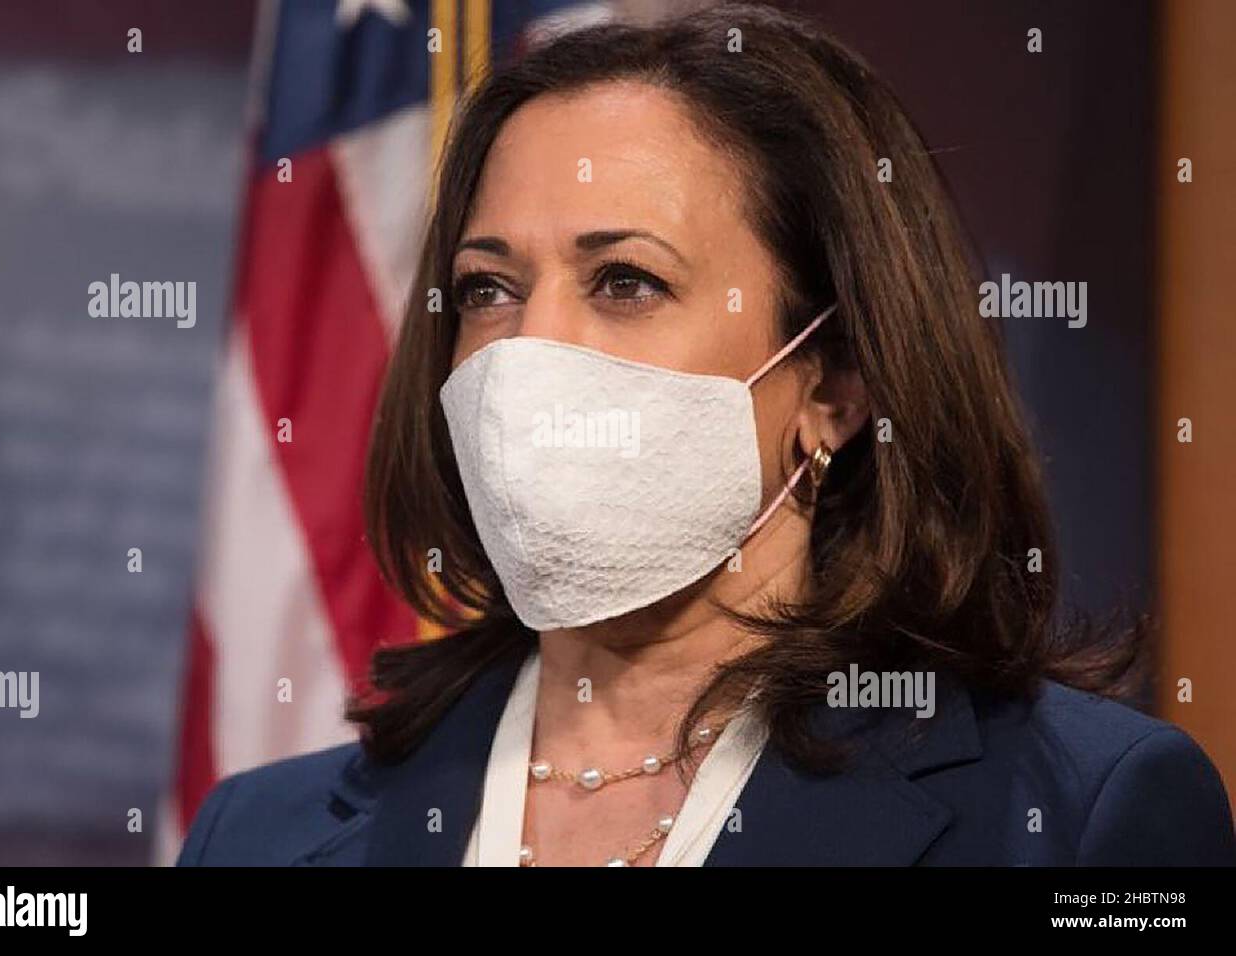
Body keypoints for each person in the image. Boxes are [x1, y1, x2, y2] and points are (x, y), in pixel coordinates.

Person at [177, 3, 1235, 867]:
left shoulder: (1077, 815)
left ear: (836, 380)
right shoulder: (259, 835)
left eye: (625, 281)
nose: (527, 349)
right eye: (487, 288)